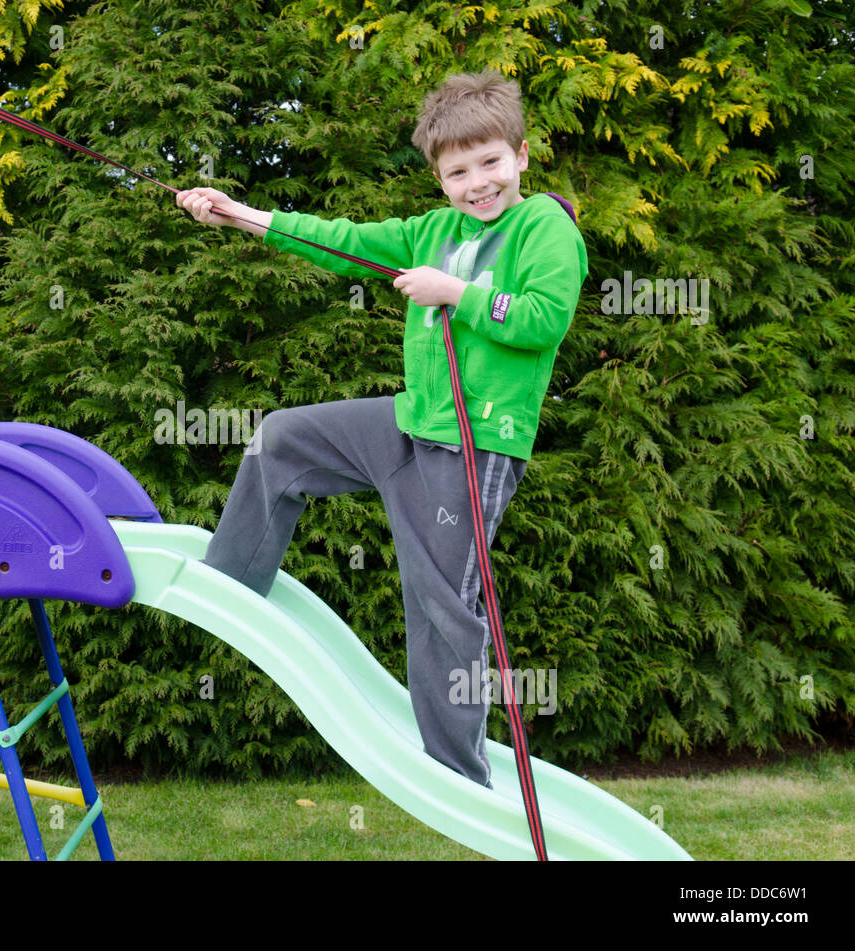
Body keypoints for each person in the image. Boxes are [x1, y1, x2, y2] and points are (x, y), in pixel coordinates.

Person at [174, 70, 588, 789]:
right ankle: (232, 587)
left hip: (473, 443)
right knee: (280, 439)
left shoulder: (545, 226)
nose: (477, 183)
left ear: (521, 156)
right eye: (458, 172)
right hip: (409, 422)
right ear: (439, 179)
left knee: (439, 607)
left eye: (490, 162)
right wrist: (239, 213)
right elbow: (337, 241)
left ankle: (458, 776)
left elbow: (543, 318)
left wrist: (456, 293)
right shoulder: (430, 231)